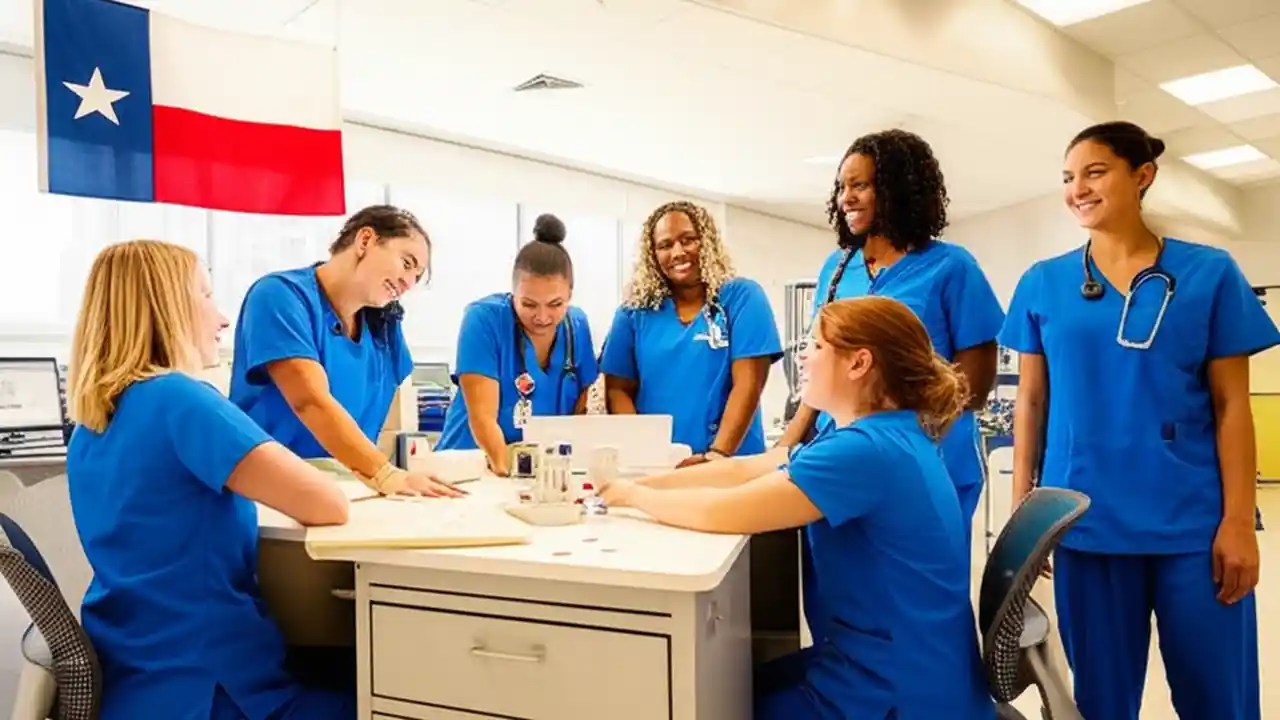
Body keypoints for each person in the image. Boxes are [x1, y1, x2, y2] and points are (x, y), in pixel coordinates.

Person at [601, 296, 994, 719]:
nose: (802, 355)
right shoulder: (881, 432)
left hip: (898, 693)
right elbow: (749, 468)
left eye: (817, 346)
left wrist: (633, 498)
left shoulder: (864, 451)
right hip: (912, 666)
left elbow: (720, 511)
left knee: (707, 702)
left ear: (859, 363)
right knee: (729, 681)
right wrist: (641, 482)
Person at [1000, 120, 1275, 720]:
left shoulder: (1209, 273)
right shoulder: (1043, 281)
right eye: (1069, 178)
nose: (1078, 189)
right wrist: (1024, 508)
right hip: (1086, 523)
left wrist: (1237, 522)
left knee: (1220, 699)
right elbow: (1032, 402)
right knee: (1103, 702)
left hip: (1194, 528)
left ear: (1142, 176)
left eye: (1095, 172)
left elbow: (1232, 406)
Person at [65, 240, 356, 720]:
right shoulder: (181, 400)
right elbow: (328, 504)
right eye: (205, 295)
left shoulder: (91, 422)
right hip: (212, 687)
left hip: (136, 683)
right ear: (168, 308)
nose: (222, 318)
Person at [777, 129, 1004, 530]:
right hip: (843, 450)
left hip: (929, 452)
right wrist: (787, 443)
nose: (846, 198)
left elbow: (978, 379)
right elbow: (823, 365)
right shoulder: (837, 267)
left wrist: (910, 434)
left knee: (912, 575)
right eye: (842, 187)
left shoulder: (950, 266)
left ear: (897, 189)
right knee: (840, 573)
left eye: (860, 185)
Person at [229, 205, 460, 497]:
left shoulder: (383, 327)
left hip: (350, 486)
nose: (408, 283)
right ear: (365, 241)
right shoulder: (280, 296)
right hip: (270, 488)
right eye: (406, 263)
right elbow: (309, 400)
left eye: (417, 276)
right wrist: (384, 473)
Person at [600, 200, 783, 465]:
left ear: (707, 242)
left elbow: (749, 383)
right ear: (652, 254)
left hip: (731, 464)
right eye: (665, 245)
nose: (677, 252)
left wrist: (717, 455)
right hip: (661, 467)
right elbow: (618, 390)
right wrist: (645, 452)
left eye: (689, 240)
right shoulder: (634, 312)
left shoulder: (741, 297)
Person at [435, 213, 599, 474]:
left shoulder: (577, 325)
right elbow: (483, 418)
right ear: (513, 294)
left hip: (540, 471)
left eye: (556, 304)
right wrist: (505, 473)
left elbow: (582, 405)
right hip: (470, 470)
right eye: (529, 304)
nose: (542, 317)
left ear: (570, 294)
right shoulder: (484, 320)